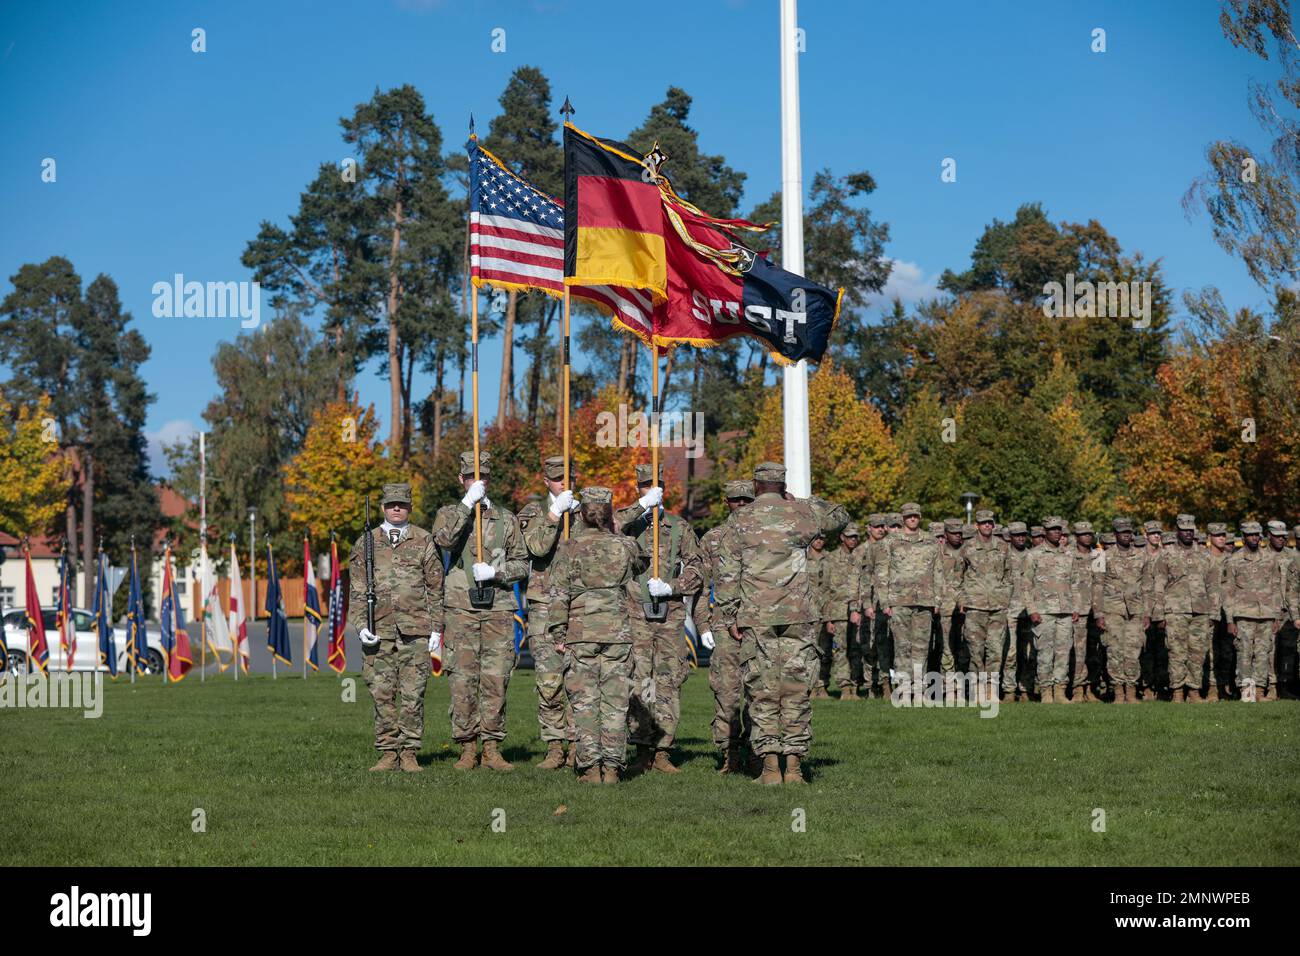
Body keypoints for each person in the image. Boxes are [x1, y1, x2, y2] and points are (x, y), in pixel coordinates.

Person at [714, 462, 848, 785]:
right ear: (782, 485)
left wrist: (731, 615)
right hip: (797, 615)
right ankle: (795, 768)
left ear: (756, 486)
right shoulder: (799, 515)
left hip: (756, 616)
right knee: (795, 689)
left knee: (763, 690)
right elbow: (840, 516)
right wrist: (799, 501)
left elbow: (728, 574)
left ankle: (770, 768)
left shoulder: (740, 521)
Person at [432, 451, 529, 771]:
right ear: (461, 480)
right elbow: (444, 541)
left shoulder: (506, 519)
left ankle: (492, 747)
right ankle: (467, 747)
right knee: (461, 679)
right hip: (461, 608)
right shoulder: (448, 513)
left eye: (484, 476)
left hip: (498, 608)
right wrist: (466, 505)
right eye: (473, 476)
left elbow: (522, 564)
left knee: (496, 679)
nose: (480, 482)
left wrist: (497, 572)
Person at [547, 487, 644, 784]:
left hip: (580, 630)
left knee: (585, 702)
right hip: (617, 631)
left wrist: (558, 632)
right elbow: (641, 564)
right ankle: (613, 767)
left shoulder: (569, 548)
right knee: (616, 701)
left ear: (581, 515)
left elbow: (559, 594)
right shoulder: (624, 546)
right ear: (608, 514)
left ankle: (590, 767)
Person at [348, 482, 444, 772]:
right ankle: (388, 751)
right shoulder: (366, 542)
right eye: (391, 504)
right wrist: (360, 624)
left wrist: (437, 629)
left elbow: (435, 587)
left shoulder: (424, 540)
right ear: (383, 508)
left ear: (410, 507)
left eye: (401, 504)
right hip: (379, 629)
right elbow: (356, 589)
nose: (397, 508)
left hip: (415, 629)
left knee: (413, 693)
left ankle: (410, 752)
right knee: (381, 692)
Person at [615, 463, 704, 775]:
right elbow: (606, 526)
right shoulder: (627, 527)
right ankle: (640, 748)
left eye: (655, 485)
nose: (650, 490)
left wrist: (673, 587)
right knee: (638, 683)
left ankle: (663, 750)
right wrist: (641, 506)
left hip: (670, 617)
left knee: (668, 681)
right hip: (634, 614)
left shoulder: (679, 529)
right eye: (644, 486)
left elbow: (698, 569)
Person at [518, 456, 582, 770]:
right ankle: (555, 746)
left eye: (568, 478)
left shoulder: (587, 512)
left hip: (579, 605)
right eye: (557, 479)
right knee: (549, 679)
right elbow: (537, 548)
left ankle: (577, 746)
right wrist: (555, 514)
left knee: (579, 679)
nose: (563, 483)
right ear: (546, 481)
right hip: (544, 604)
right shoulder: (532, 513)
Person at [697, 480, 755, 774]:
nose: (742, 505)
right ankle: (729, 752)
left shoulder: (764, 536)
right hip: (723, 625)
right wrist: (702, 624)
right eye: (736, 500)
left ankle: (758, 750)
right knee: (727, 690)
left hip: (758, 622)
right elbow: (700, 584)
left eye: (747, 500)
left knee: (760, 689)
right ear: (727, 502)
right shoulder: (712, 539)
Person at [878, 503, 943, 705]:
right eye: (908, 516)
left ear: (920, 517)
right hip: (899, 601)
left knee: (921, 648)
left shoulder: (931, 542)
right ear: (903, 518)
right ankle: (904, 691)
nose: (912, 519)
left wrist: (938, 599)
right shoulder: (890, 542)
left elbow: (938, 572)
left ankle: (920, 691)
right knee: (902, 647)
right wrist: (884, 601)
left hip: (924, 601)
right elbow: (882, 573)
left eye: (915, 516)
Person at [1149, 514, 1219, 702]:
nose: (1188, 533)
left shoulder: (1205, 555)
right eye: (1184, 529)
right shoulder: (1166, 555)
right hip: (1175, 612)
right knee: (1177, 652)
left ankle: (1194, 691)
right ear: (1177, 530)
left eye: (1191, 530)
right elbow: (1158, 586)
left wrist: (1214, 612)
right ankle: (1178, 691)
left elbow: (1213, 586)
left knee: (1198, 653)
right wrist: (1159, 614)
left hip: (1201, 611)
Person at [1222, 521, 1290, 702]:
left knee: (1263, 652)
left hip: (1267, 614)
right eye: (1250, 534)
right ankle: (1246, 691)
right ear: (1243, 537)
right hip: (1243, 615)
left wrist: (1276, 615)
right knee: (1244, 653)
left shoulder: (1270, 559)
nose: (1254, 537)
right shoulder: (1234, 560)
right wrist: (1230, 619)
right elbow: (1228, 592)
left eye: (1256, 534)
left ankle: (1259, 690)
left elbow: (1276, 588)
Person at [958, 510, 1010, 702]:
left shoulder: (1003, 547)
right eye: (983, 523)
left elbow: (1009, 575)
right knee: (976, 651)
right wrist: (962, 599)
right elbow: (958, 576)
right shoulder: (968, 547)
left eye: (990, 522)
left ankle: (991, 691)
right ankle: (977, 691)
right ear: (976, 525)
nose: (987, 525)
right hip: (975, 607)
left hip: (997, 607)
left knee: (996, 651)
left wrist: (1005, 597)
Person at [1093, 518, 1147, 703]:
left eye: (1129, 532)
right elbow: (1097, 586)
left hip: (1136, 611)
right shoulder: (1100, 556)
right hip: (1111, 610)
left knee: (1133, 650)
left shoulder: (1142, 556)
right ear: (1115, 534)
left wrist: (1147, 613)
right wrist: (1098, 613)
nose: (1126, 535)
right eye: (1122, 532)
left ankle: (1131, 691)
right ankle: (1118, 691)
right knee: (1114, 651)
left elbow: (1148, 586)